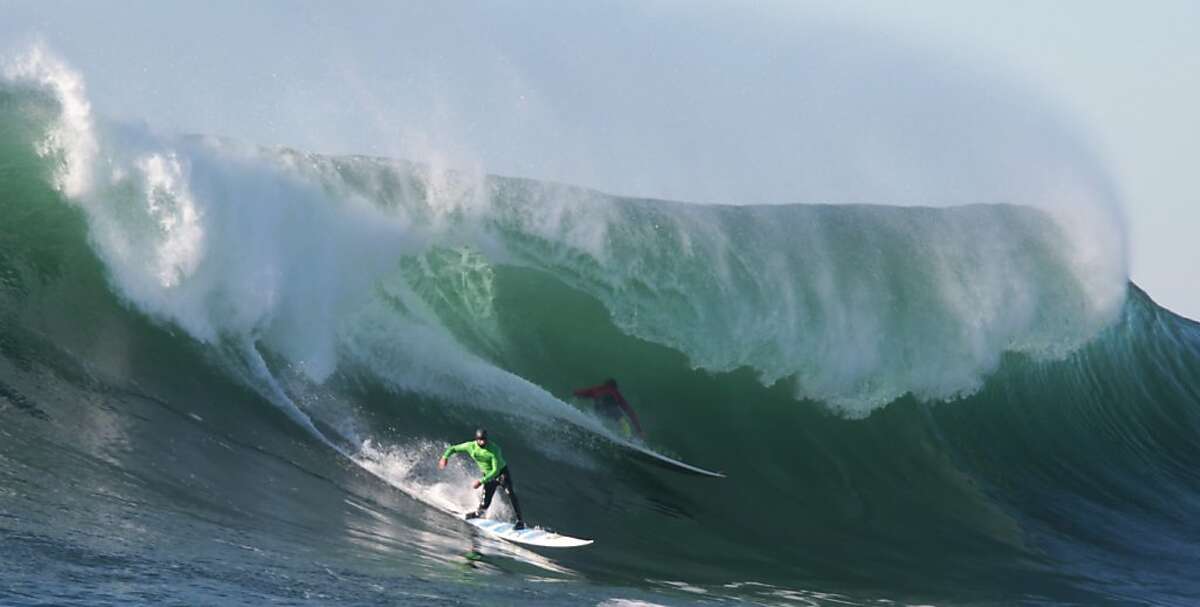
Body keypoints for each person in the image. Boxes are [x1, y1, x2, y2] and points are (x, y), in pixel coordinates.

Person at [438, 428, 526, 530]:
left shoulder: (494, 449)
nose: (482, 442)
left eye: (484, 439)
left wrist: (481, 481)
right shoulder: (470, 446)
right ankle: (478, 514)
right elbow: (453, 448)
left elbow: (496, 470)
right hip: (488, 476)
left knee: (511, 494)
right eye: (480, 440)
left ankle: (520, 521)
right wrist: (445, 457)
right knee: (485, 504)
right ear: (476, 439)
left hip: (502, 474)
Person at [573, 378, 644, 438]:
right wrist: (639, 430)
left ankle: (592, 427)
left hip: (599, 407)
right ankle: (627, 438)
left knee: (599, 418)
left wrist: (576, 393)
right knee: (623, 423)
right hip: (610, 405)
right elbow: (629, 411)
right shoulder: (615, 392)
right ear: (615, 387)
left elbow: (582, 392)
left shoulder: (596, 388)